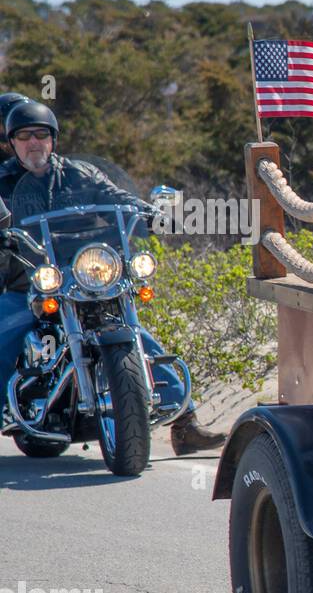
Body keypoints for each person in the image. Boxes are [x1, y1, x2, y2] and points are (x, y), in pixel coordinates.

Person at [0, 100, 225, 454]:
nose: (34, 143)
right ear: (11, 143)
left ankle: (185, 424)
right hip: (29, 281)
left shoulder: (79, 173)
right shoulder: (4, 182)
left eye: (41, 135)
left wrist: (150, 214)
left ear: (53, 140)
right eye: (24, 136)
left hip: (87, 274)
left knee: (138, 338)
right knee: (4, 336)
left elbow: (118, 198)